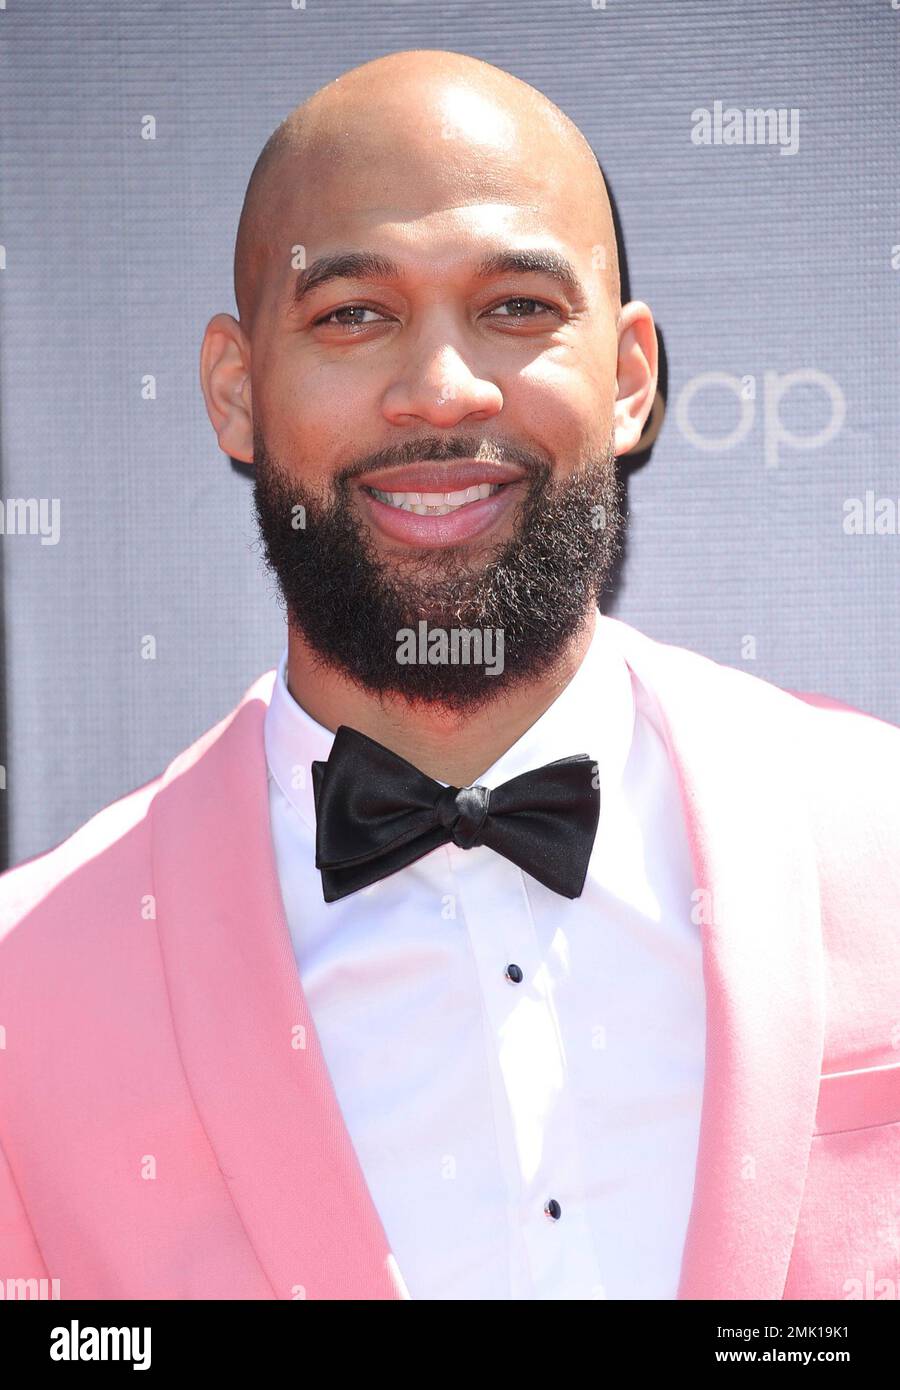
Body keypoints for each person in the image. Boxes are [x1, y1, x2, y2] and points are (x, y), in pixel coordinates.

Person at [1, 50, 899, 1303]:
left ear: (631, 377)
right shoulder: (24, 988)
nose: (441, 391)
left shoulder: (884, 837)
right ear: (235, 388)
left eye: (519, 307)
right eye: (352, 315)